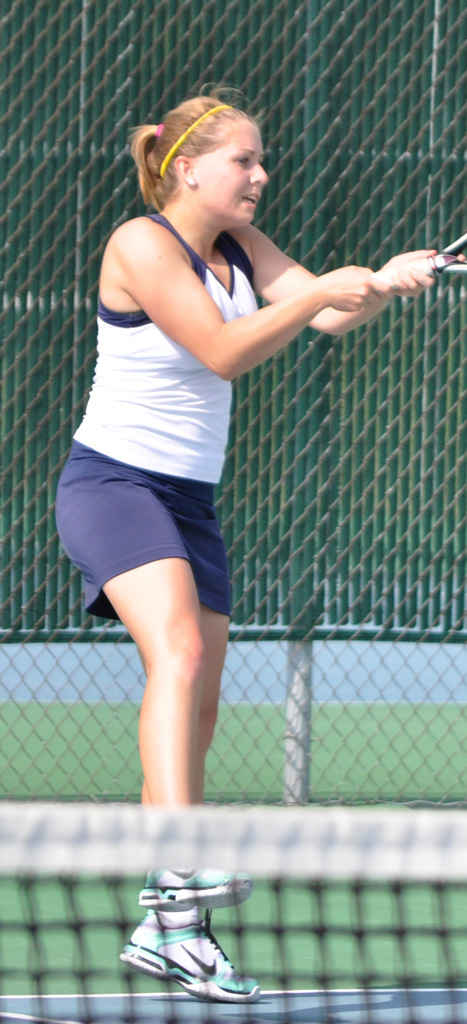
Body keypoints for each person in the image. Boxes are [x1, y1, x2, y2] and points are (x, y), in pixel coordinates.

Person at [54, 93, 435, 1004]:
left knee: (203, 706)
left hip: (190, 501)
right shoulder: (140, 245)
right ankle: (177, 890)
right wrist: (320, 296)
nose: (261, 176)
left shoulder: (241, 250)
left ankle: (163, 933)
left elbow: (328, 317)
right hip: (113, 486)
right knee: (177, 653)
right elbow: (224, 351)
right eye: (245, 162)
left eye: (262, 163)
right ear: (187, 167)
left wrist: (375, 283)